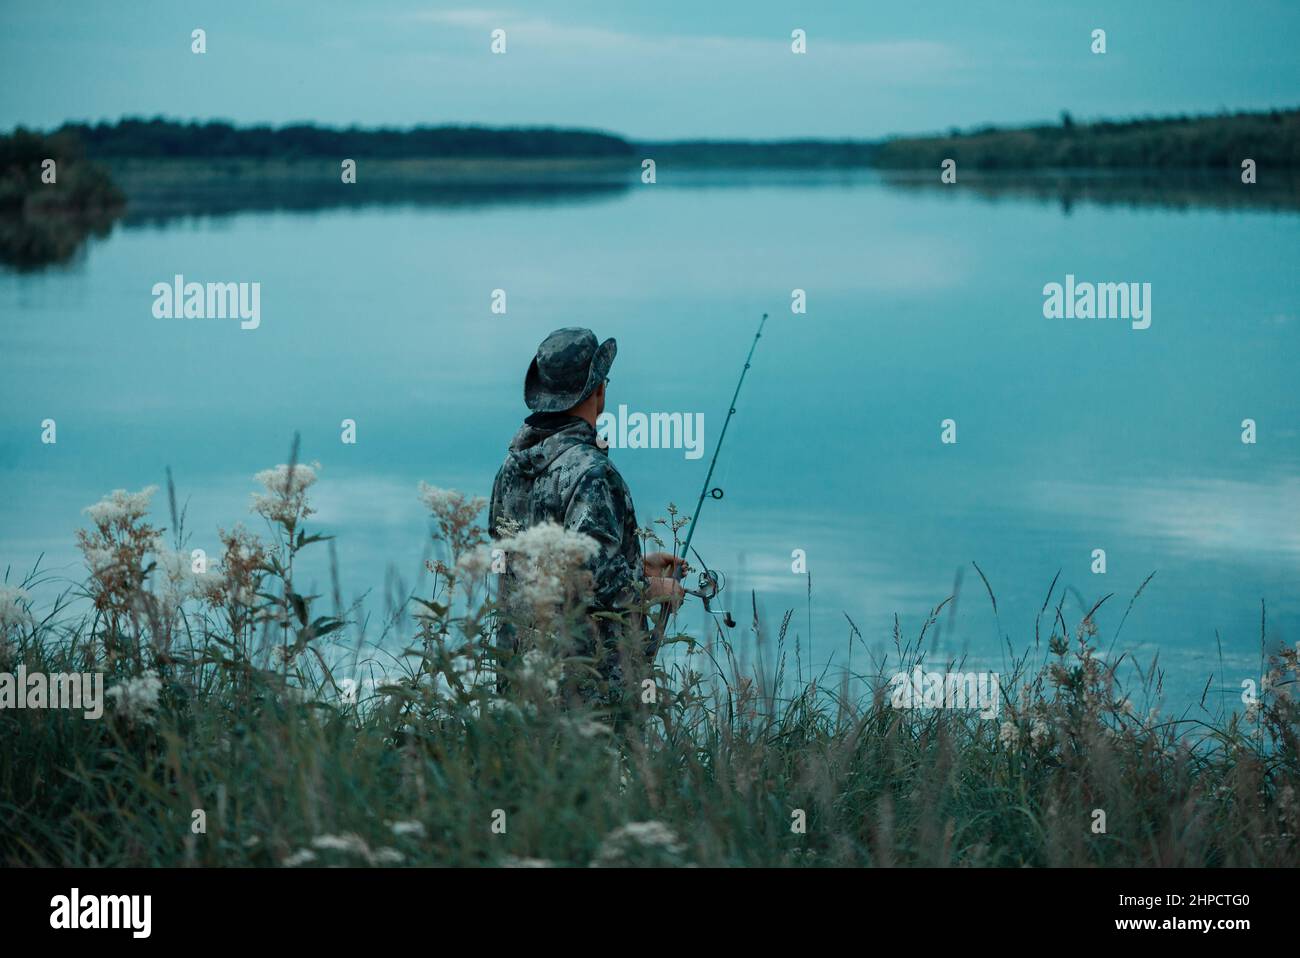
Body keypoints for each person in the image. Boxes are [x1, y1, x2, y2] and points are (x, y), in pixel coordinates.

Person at [489, 327, 685, 699]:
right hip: (584, 688)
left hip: (519, 674)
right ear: (598, 391)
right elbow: (593, 585)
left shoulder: (510, 468)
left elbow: (522, 564)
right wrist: (658, 588)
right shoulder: (593, 473)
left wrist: (638, 566)